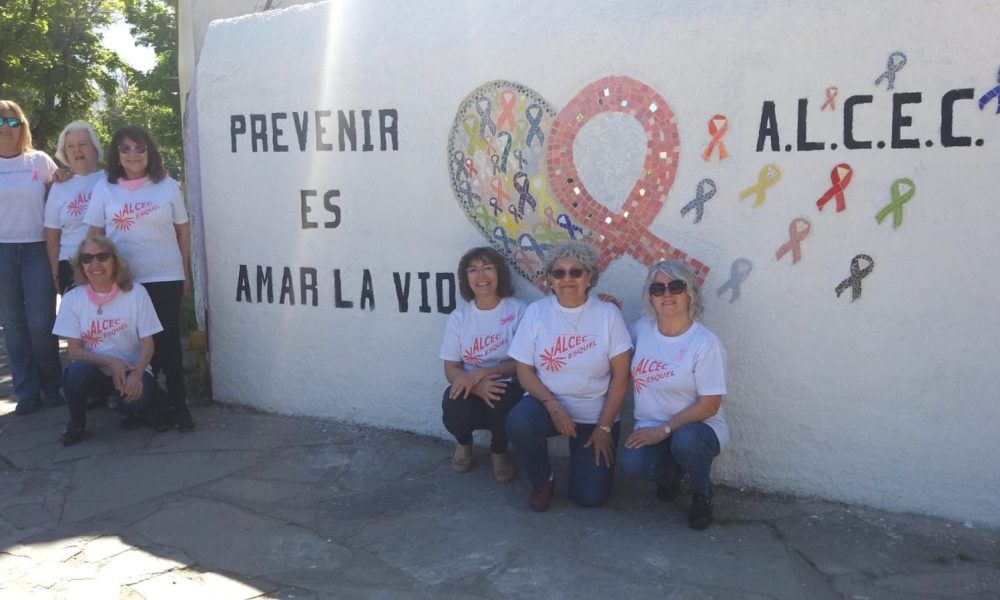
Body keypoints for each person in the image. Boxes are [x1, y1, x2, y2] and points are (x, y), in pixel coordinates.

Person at [505, 241, 632, 511]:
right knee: (519, 423)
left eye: (576, 272)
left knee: (590, 498)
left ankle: (582, 462)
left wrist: (604, 427)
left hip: (595, 415)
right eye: (558, 272)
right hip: (546, 404)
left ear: (589, 278)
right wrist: (554, 407)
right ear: (549, 279)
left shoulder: (608, 314)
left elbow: (621, 377)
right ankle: (543, 480)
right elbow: (524, 370)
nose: (567, 279)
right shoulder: (536, 313)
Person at [84, 126, 194, 431]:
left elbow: (183, 231)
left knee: (168, 342)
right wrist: (95, 276)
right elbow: (94, 235)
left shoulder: (167, 185)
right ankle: (146, 403)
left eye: (140, 148)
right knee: (135, 345)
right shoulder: (105, 189)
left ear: (150, 152)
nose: (133, 155)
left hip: (165, 275)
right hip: (126, 280)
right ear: (116, 155)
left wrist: (184, 273)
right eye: (125, 149)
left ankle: (179, 404)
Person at [619, 260, 729, 530]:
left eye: (675, 287)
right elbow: (612, 351)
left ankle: (702, 494)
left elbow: (710, 405)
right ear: (650, 296)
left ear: (690, 293)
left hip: (698, 429)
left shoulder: (704, 343)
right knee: (632, 464)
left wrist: (664, 430)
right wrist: (603, 310)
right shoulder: (640, 330)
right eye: (658, 289)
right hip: (652, 426)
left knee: (687, 441)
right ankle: (672, 474)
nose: (667, 294)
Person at [53, 236, 163, 445]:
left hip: (131, 369)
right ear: (81, 265)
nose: (95, 264)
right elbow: (74, 352)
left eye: (102, 257)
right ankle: (77, 423)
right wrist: (111, 362)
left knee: (136, 400)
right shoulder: (73, 299)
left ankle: (126, 407)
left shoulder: (136, 293)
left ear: (114, 260)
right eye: (87, 258)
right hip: (95, 370)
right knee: (75, 375)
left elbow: (148, 342)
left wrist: (138, 374)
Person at [439, 247, 526, 482]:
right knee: (453, 405)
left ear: (499, 274)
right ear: (466, 278)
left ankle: (498, 452)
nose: (481, 276)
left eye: (488, 268)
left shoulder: (518, 310)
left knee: (505, 404)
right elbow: (451, 367)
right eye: (473, 270)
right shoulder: (459, 317)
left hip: (505, 381)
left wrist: (484, 373)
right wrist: (475, 385)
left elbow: (522, 363)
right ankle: (463, 443)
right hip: (468, 384)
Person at [0, 99, 63, 414]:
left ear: (22, 126)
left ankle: (53, 387)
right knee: (13, 324)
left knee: (42, 323)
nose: (6, 128)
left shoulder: (39, 161)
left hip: (37, 249)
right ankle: (26, 393)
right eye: (1, 122)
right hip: (2, 253)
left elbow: (59, 195)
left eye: (13, 122)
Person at [45, 121, 105, 294]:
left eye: (82, 144)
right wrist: (55, 273)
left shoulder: (110, 180)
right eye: (70, 146)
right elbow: (52, 236)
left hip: (106, 262)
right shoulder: (59, 186)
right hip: (70, 263)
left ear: (95, 148)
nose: (77, 150)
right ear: (64, 153)